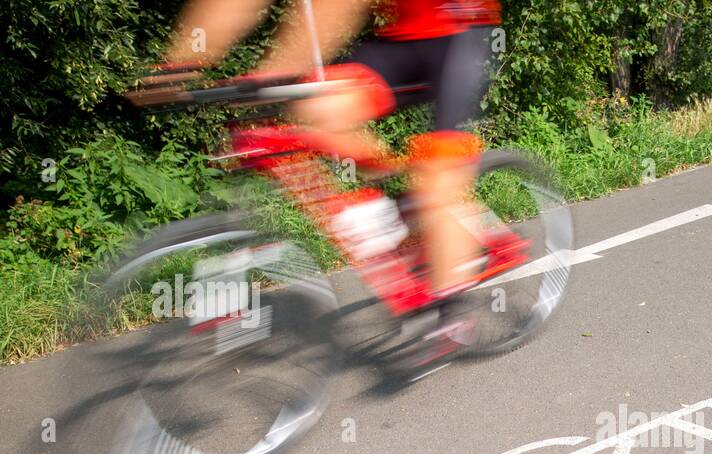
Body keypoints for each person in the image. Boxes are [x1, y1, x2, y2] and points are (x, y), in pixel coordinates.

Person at [154, 0, 499, 312]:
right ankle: (396, 206)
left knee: (437, 185)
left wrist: (277, 72)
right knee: (318, 108)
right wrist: (180, 63)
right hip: (401, 43)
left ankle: (450, 312)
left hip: (459, 38)